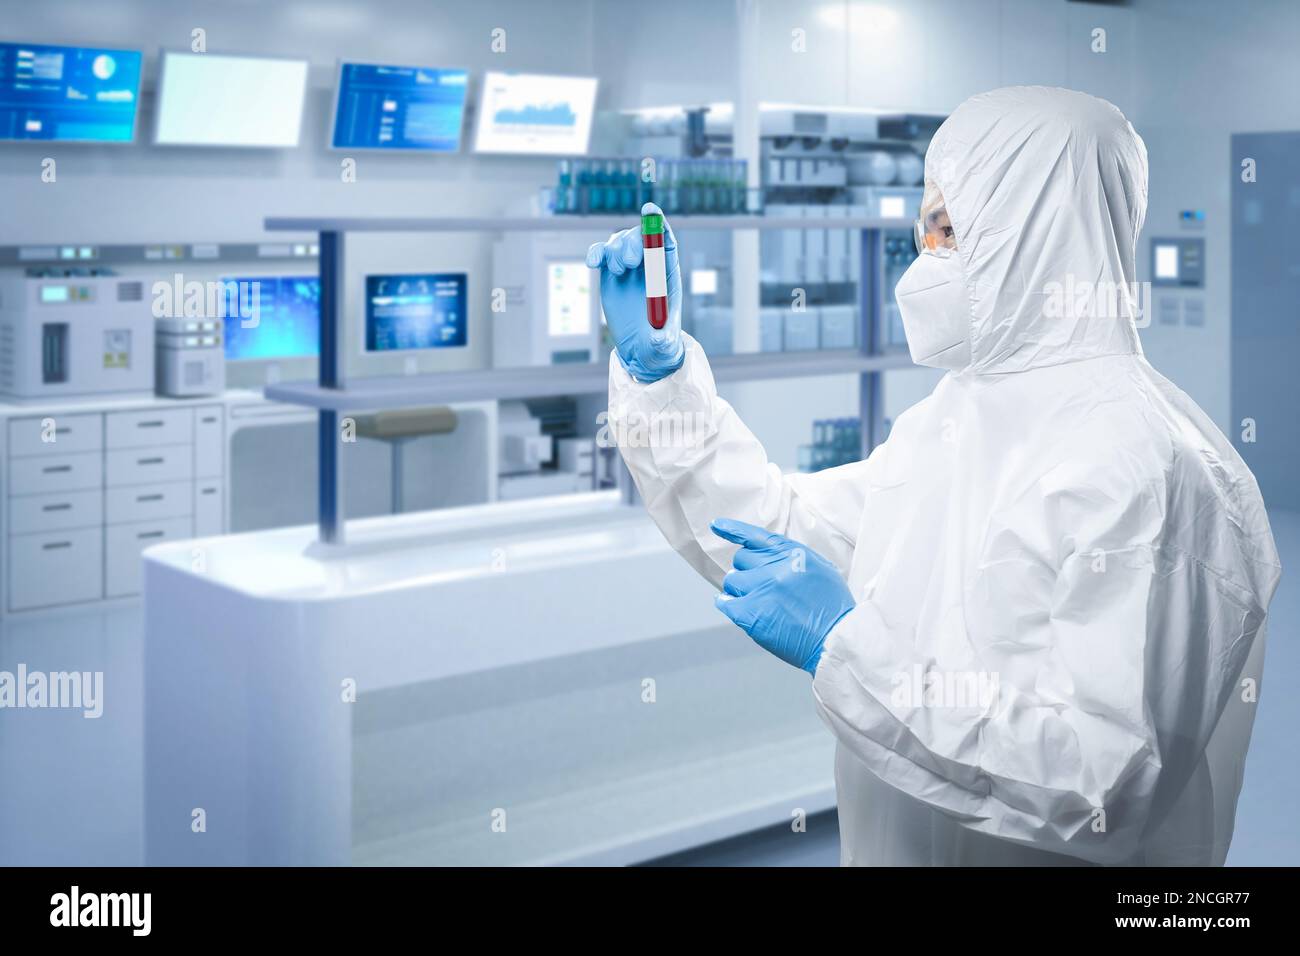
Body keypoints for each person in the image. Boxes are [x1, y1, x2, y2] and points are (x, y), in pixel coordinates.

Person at [588, 86, 1281, 866]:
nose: (925, 258)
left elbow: (1103, 785)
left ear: (1038, 234)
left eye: (951, 230)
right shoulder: (957, 418)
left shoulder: (1152, 471)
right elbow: (779, 528)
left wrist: (849, 650)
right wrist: (663, 379)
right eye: (926, 228)